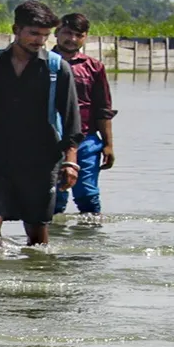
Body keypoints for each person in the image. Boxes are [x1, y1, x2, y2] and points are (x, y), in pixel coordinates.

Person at [0, 1, 83, 246]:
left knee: (37, 230)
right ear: (16, 29)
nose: (39, 41)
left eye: (45, 35)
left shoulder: (56, 68)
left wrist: (71, 161)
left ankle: (38, 269)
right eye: (33, 33)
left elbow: (71, 119)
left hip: (42, 158)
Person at [53, 12, 117, 216]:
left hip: (86, 140)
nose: (72, 39)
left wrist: (108, 144)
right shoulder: (43, 63)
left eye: (78, 35)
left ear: (85, 37)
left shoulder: (94, 67)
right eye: (67, 33)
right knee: (53, 196)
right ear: (56, 32)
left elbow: (103, 108)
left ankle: (90, 235)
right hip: (50, 140)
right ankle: (52, 233)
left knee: (88, 196)